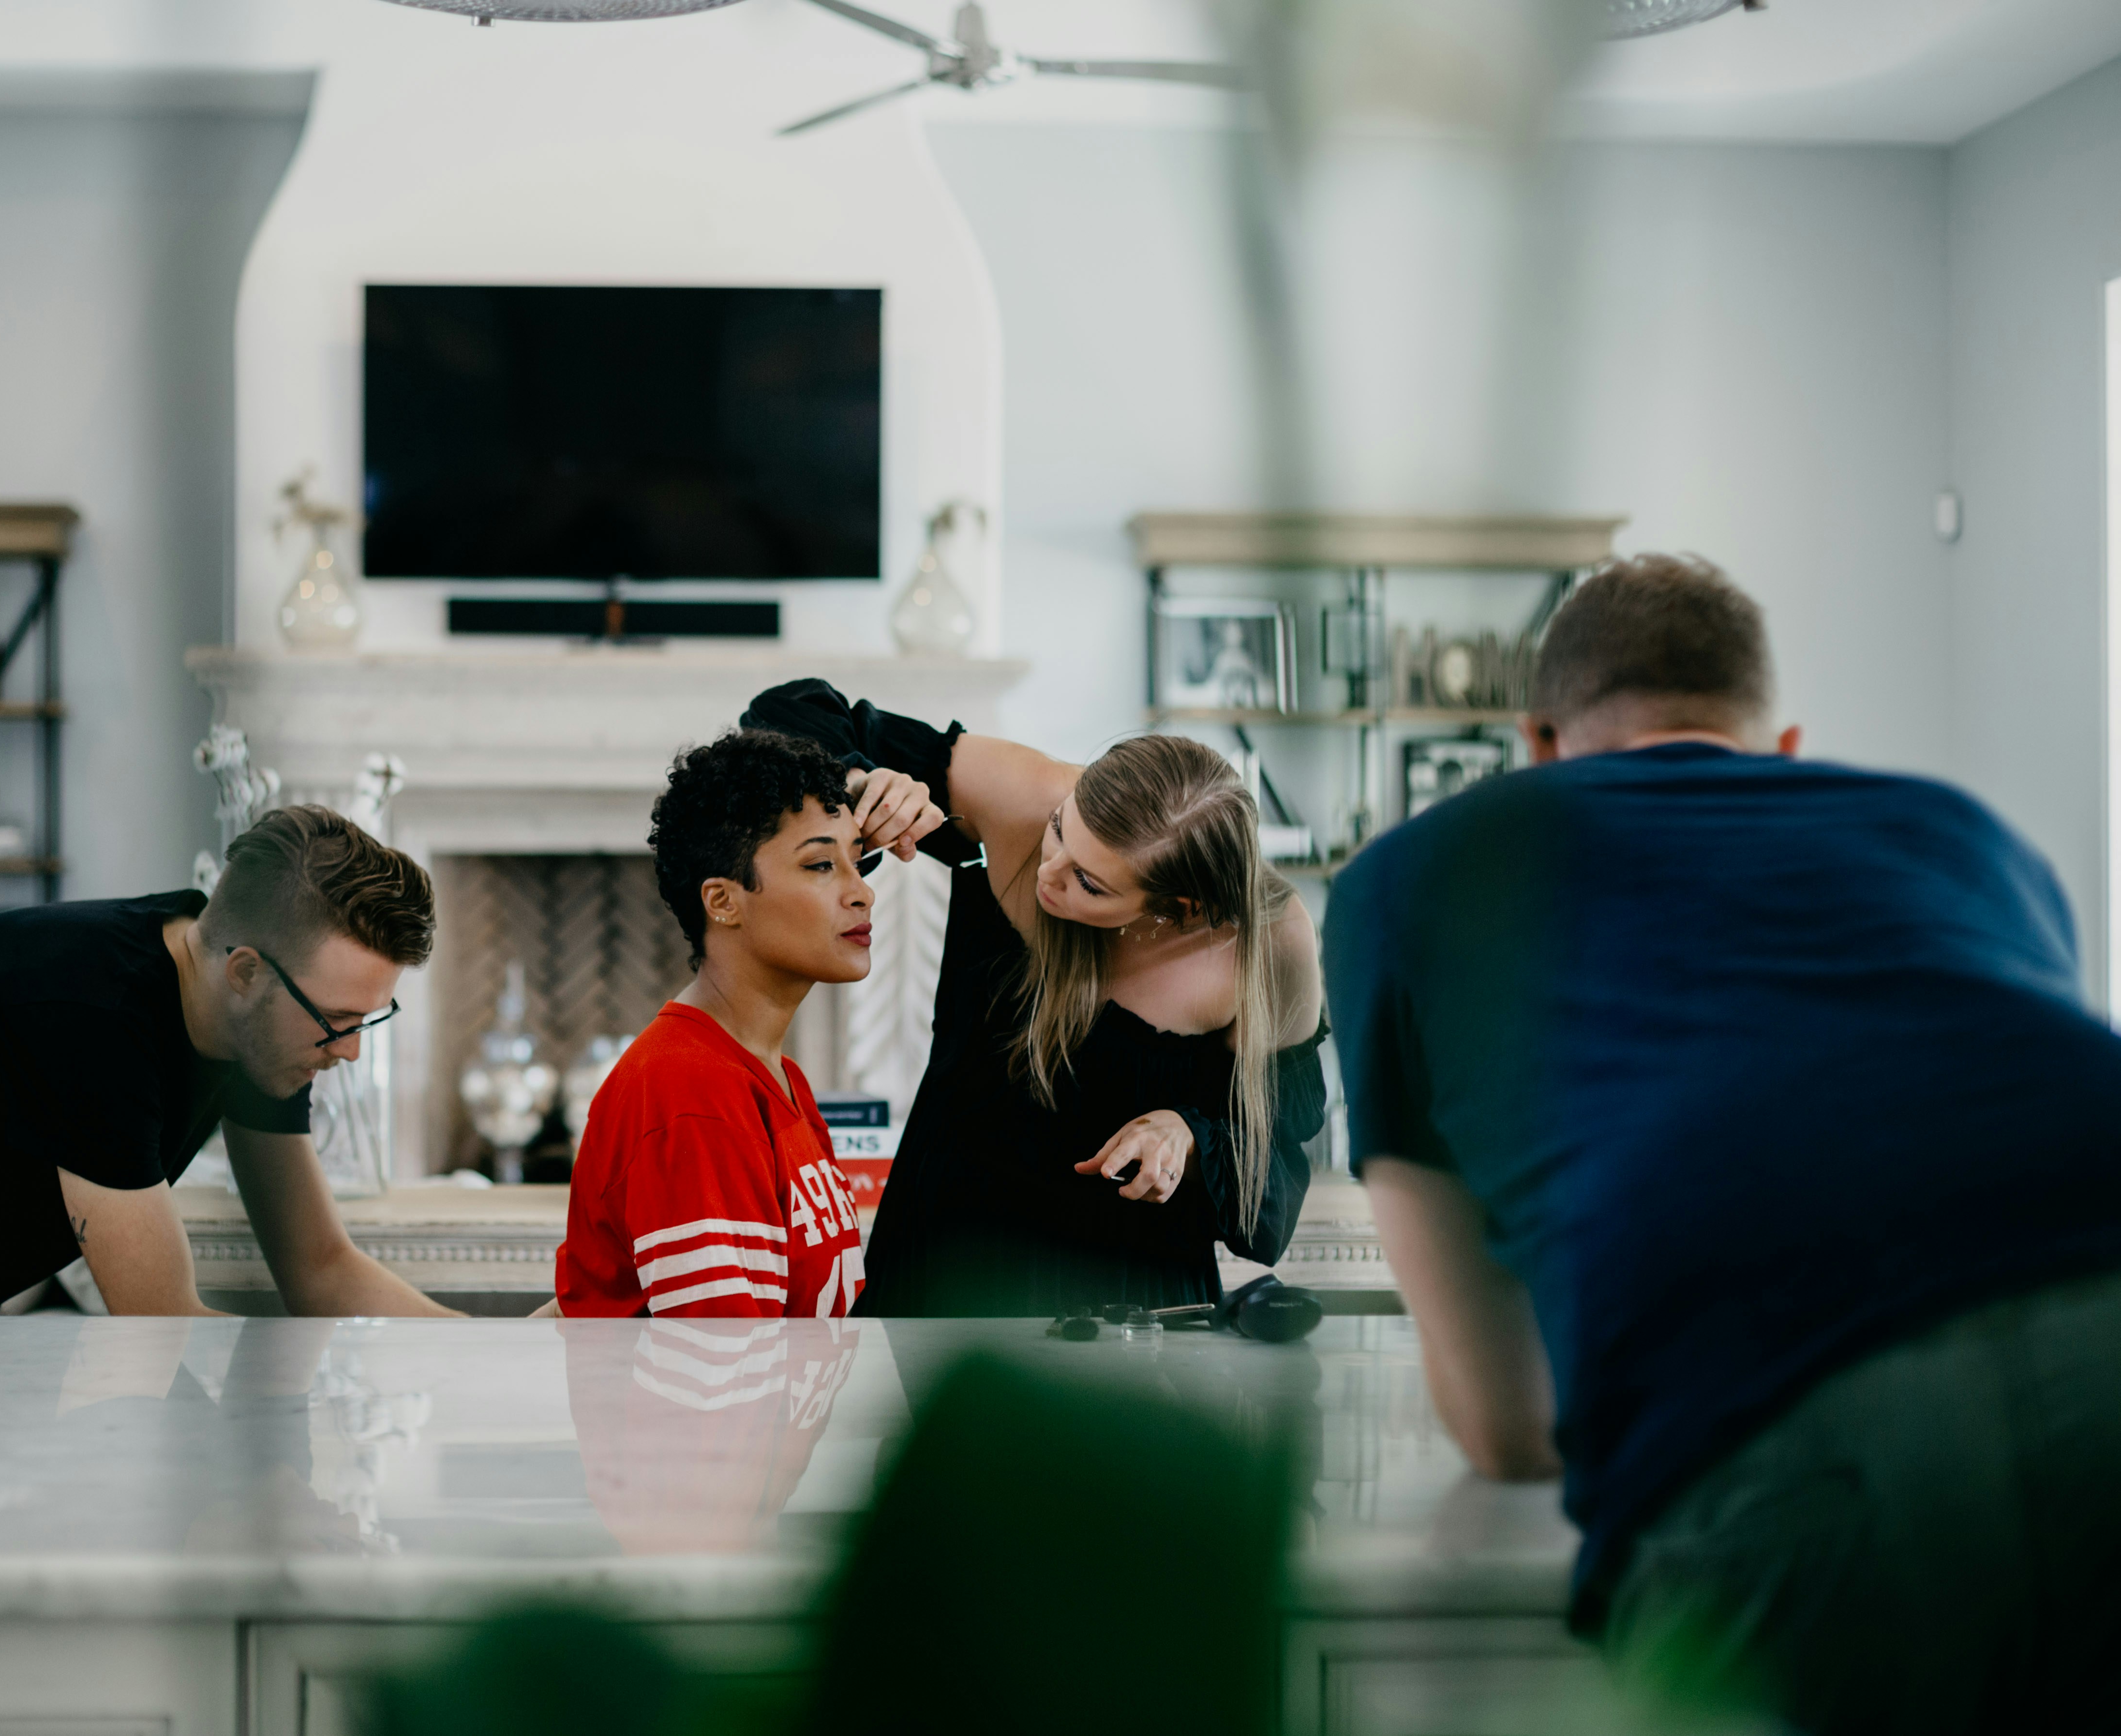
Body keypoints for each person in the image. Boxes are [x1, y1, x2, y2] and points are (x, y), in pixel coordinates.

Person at [1323, 554, 2121, 1734]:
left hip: (1803, 1450)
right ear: (1780, 744)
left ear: (1535, 743)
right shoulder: (1964, 834)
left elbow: (1507, 1424)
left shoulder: (1415, 871)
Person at [0, 805, 455, 1434]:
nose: (351, 1051)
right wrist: (363, 1378)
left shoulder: (262, 1026)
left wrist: (494, 1350)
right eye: (336, 1021)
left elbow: (320, 1271)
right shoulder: (93, 1013)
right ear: (247, 973)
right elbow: (160, 1324)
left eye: (367, 1020)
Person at [744, 681, 1328, 1317]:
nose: (1048, 871)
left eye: (1088, 883)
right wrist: (857, 782)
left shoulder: (1267, 946)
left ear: (1175, 911)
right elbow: (780, 716)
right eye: (1059, 832)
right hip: (945, 1266)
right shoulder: (1026, 794)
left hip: (1133, 1304)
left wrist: (1186, 1132)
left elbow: (1271, 1173)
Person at [556, 730, 880, 1317]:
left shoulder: (780, 1080)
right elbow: (724, 1382)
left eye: (859, 860)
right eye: (821, 864)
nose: (862, 894)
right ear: (723, 901)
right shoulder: (692, 1094)